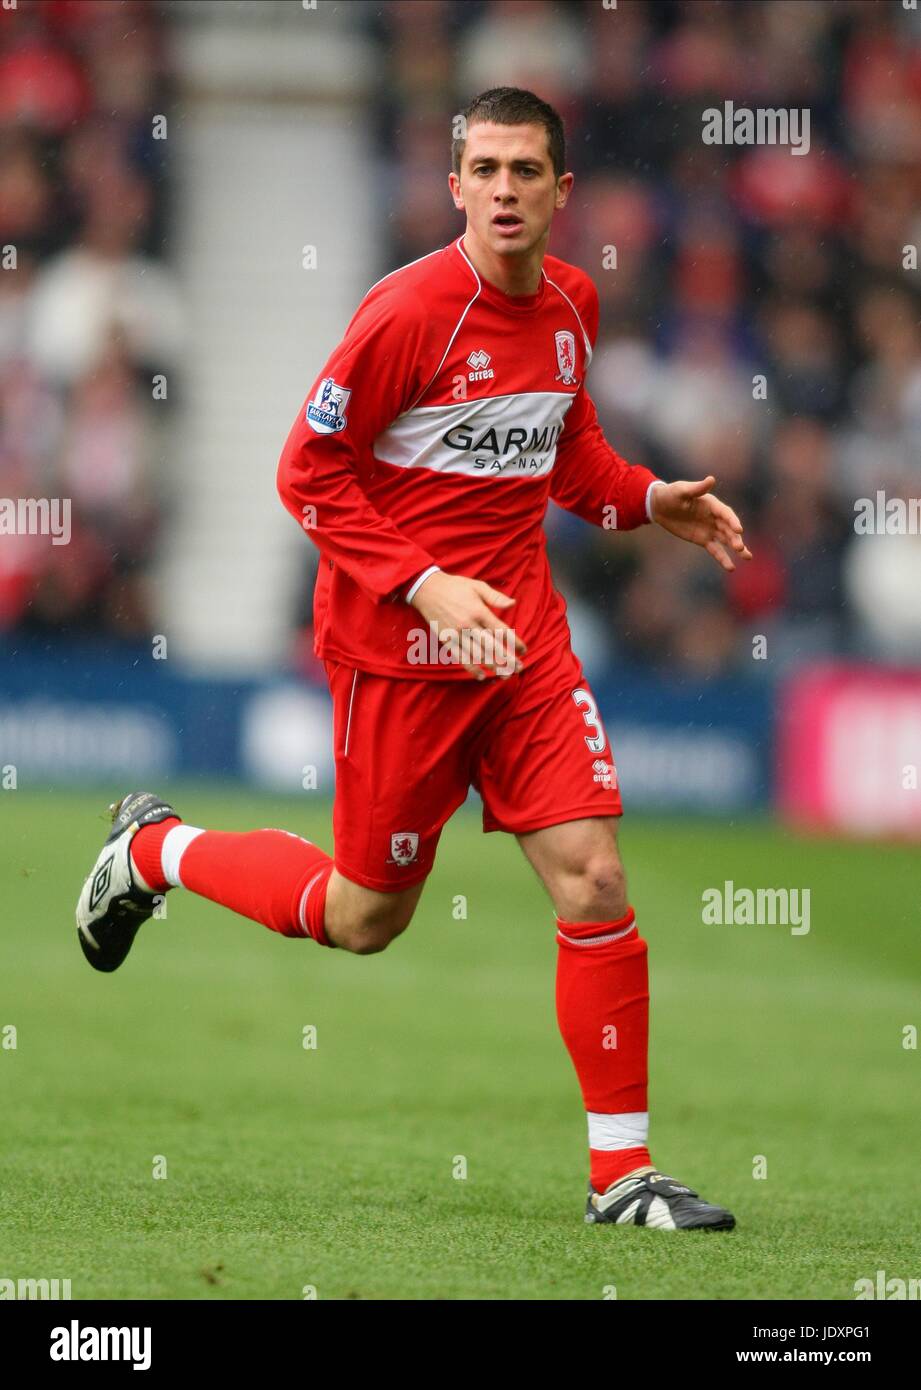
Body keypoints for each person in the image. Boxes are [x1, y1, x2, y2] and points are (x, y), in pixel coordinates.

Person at [76, 87, 751, 1232]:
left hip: (524, 647)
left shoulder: (576, 306)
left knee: (593, 876)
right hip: (399, 657)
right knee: (363, 917)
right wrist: (425, 581)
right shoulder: (406, 314)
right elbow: (307, 472)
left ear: (559, 191)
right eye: (482, 168)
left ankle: (622, 1177)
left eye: (525, 170)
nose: (502, 189)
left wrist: (645, 500)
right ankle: (153, 849)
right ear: (454, 187)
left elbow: (567, 453)